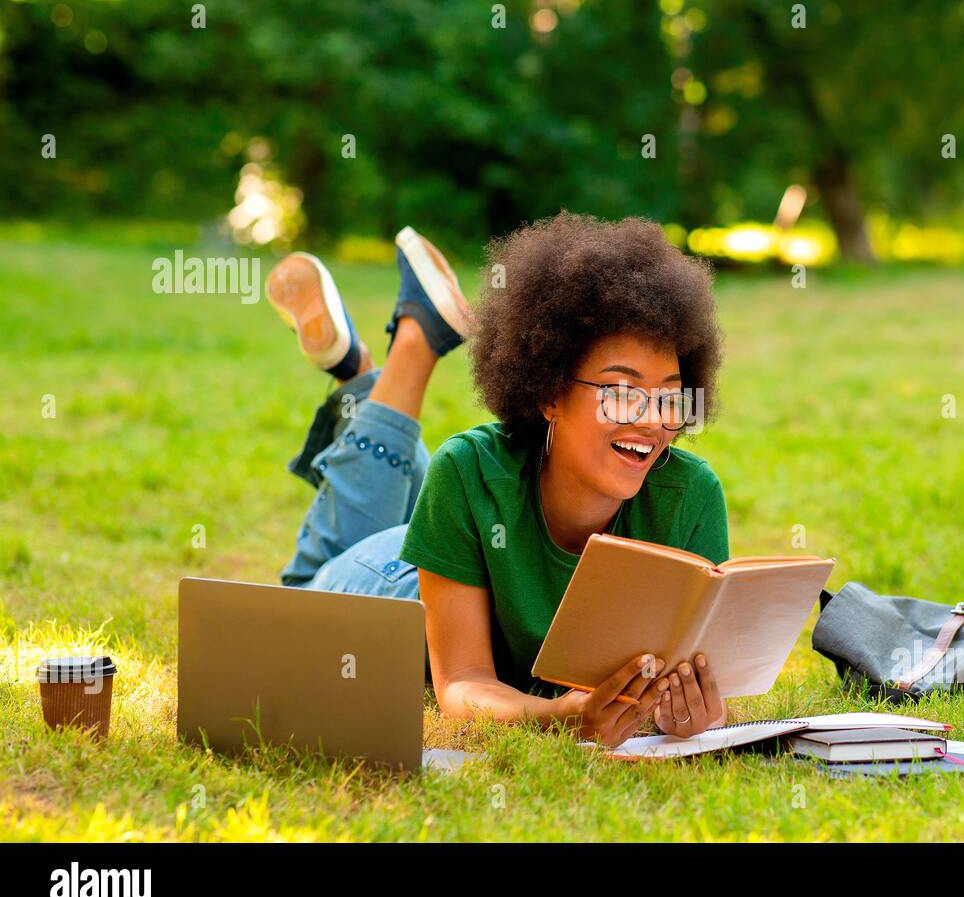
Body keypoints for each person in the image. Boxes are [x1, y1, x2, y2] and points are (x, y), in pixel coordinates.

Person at [267, 213, 729, 747]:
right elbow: (462, 685)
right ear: (549, 393)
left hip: (466, 532)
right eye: (620, 391)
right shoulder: (467, 472)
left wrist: (690, 717)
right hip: (389, 584)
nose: (652, 420)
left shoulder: (690, 496)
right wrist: (560, 717)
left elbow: (697, 687)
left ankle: (361, 378)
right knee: (293, 608)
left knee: (459, 487)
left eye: (670, 396)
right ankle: (416, 339)